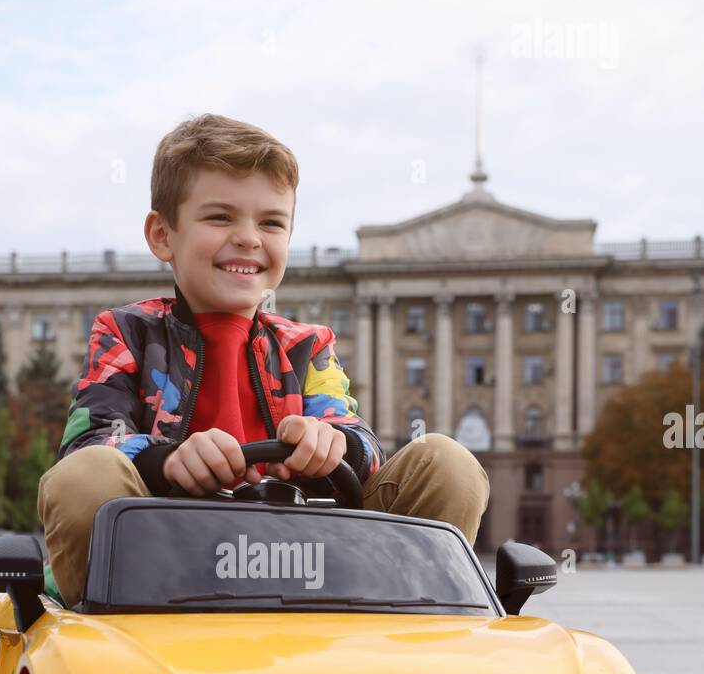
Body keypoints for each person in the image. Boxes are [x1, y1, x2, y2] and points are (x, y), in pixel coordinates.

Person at [38, 112, 490, 607]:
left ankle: (415, 628)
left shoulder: (307, 346)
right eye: (220, 217)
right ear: (162, 235)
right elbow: (91, 443)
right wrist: (167, 459)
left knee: (448, 462)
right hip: (158, 572)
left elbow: (362, 443)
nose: (250, 238)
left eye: (271, 222)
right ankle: (100, 635)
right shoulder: (125, 331)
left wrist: (332, 444)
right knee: (84, 477)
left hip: (313, 568)